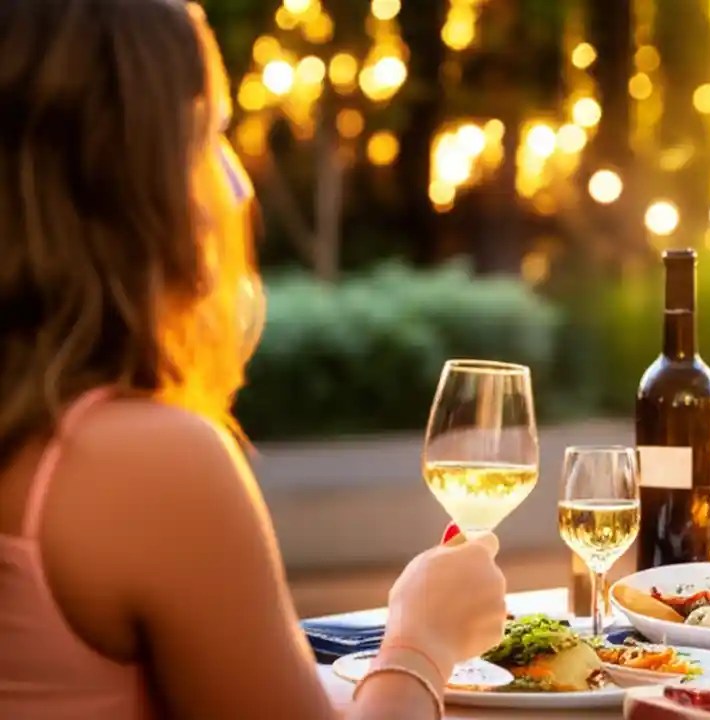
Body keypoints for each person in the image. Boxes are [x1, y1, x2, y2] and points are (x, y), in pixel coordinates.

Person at [0, 1, 507, 719]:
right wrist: (423, 639)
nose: (236, 182)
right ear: (128, 183)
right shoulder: (146, 465)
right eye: (209, 135)